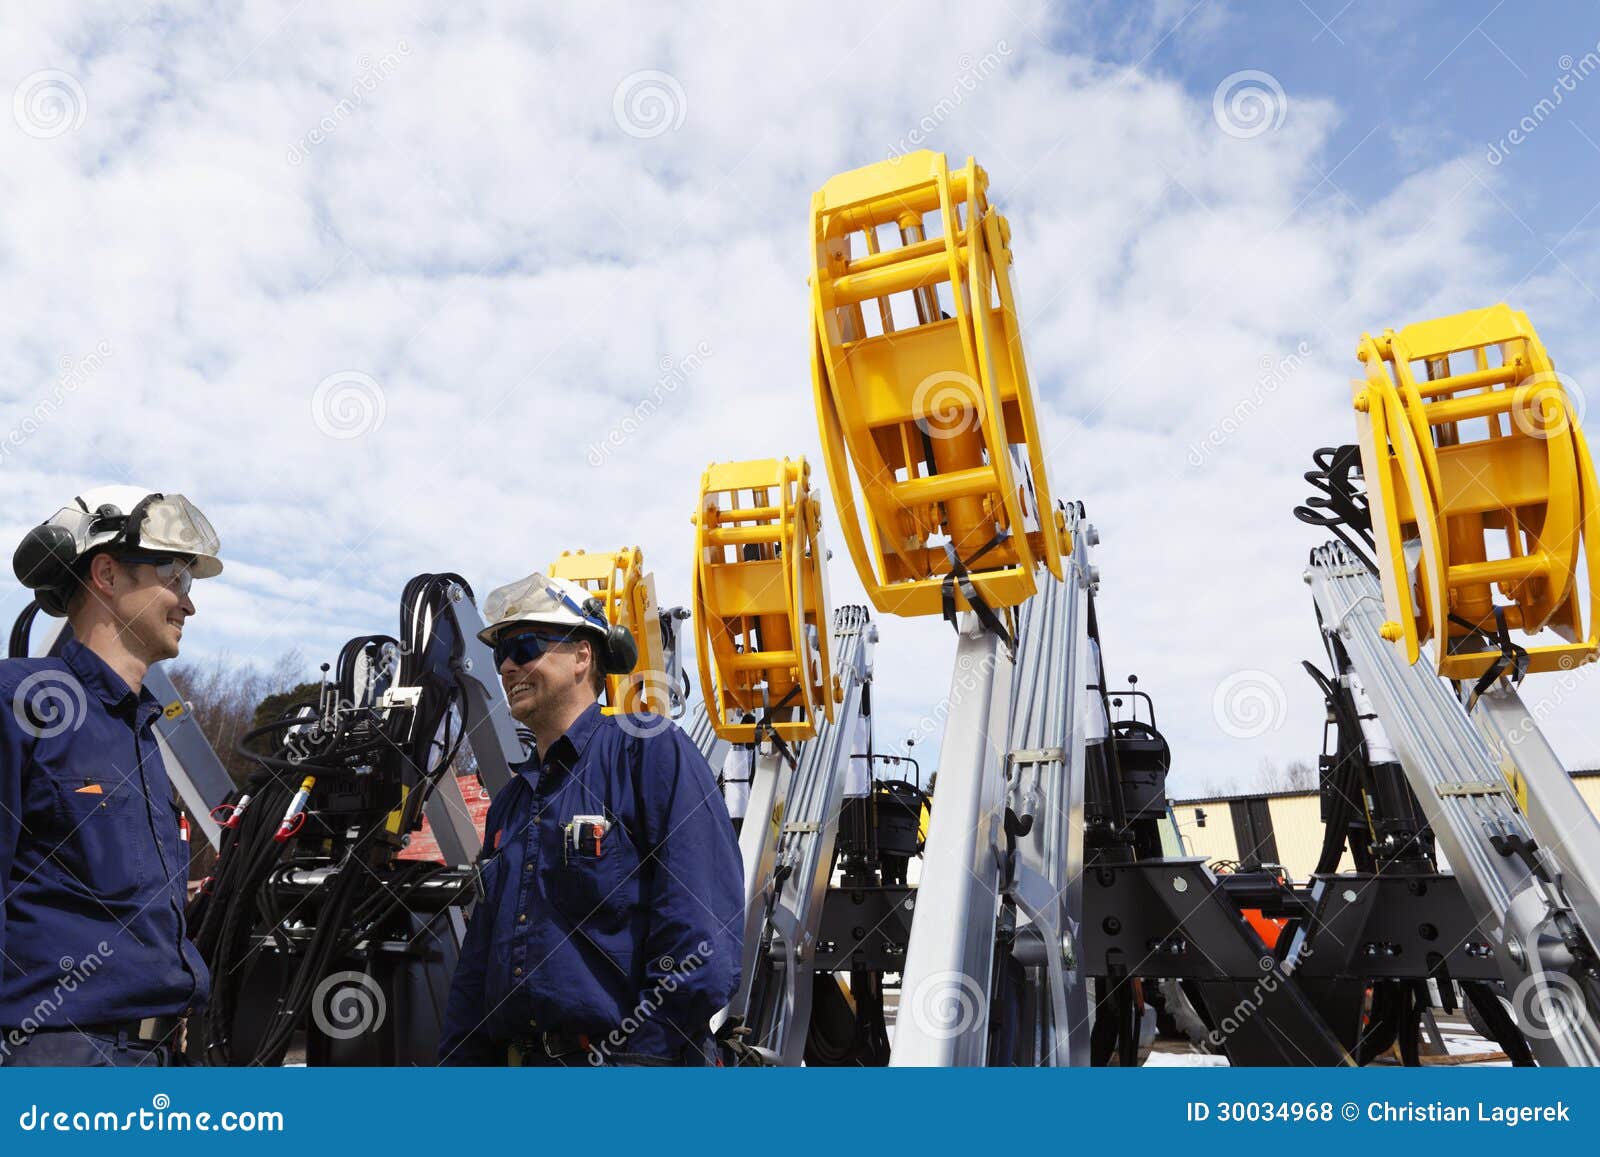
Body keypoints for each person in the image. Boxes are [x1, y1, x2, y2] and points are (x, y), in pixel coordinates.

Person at [438, 571, 743, 1066]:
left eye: (526, 645)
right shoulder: (510, 804)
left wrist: (639, 1063)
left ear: (583, 655)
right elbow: (478, 963)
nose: (508, 667)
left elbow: (699, 935)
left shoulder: (648, 751)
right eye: (500, 655)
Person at [1, 487, 223, 1066]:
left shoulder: (142, 735)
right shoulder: (20, 703)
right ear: (106, 573)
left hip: (154, 1055)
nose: (188, 603)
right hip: (59, 1056)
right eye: (175, 576)